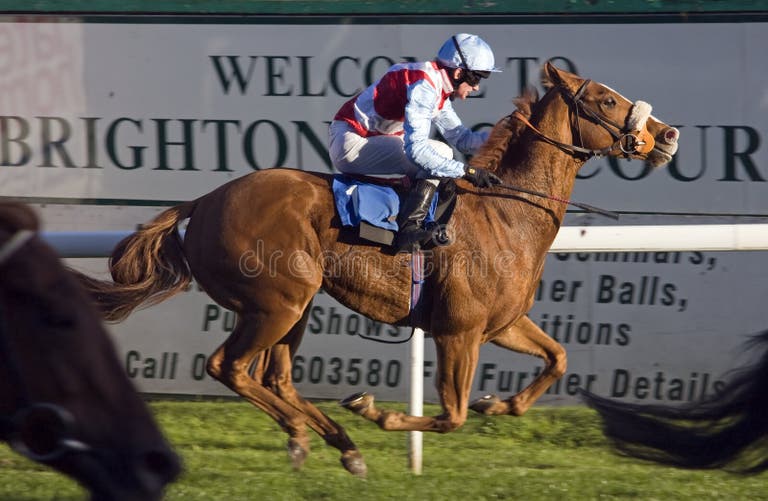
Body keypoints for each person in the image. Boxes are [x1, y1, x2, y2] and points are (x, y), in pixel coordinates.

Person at [328, 33, 502, 251]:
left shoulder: (437, 86)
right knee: (440, 153)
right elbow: (416, 151)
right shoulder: (424, 86)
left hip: (368, 138)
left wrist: (505, 138)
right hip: (352, 142)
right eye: (476, 78)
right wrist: (467, 171)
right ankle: (409, 228)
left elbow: (463, 139)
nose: (476, 87)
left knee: (441, 160)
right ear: (458, 73)